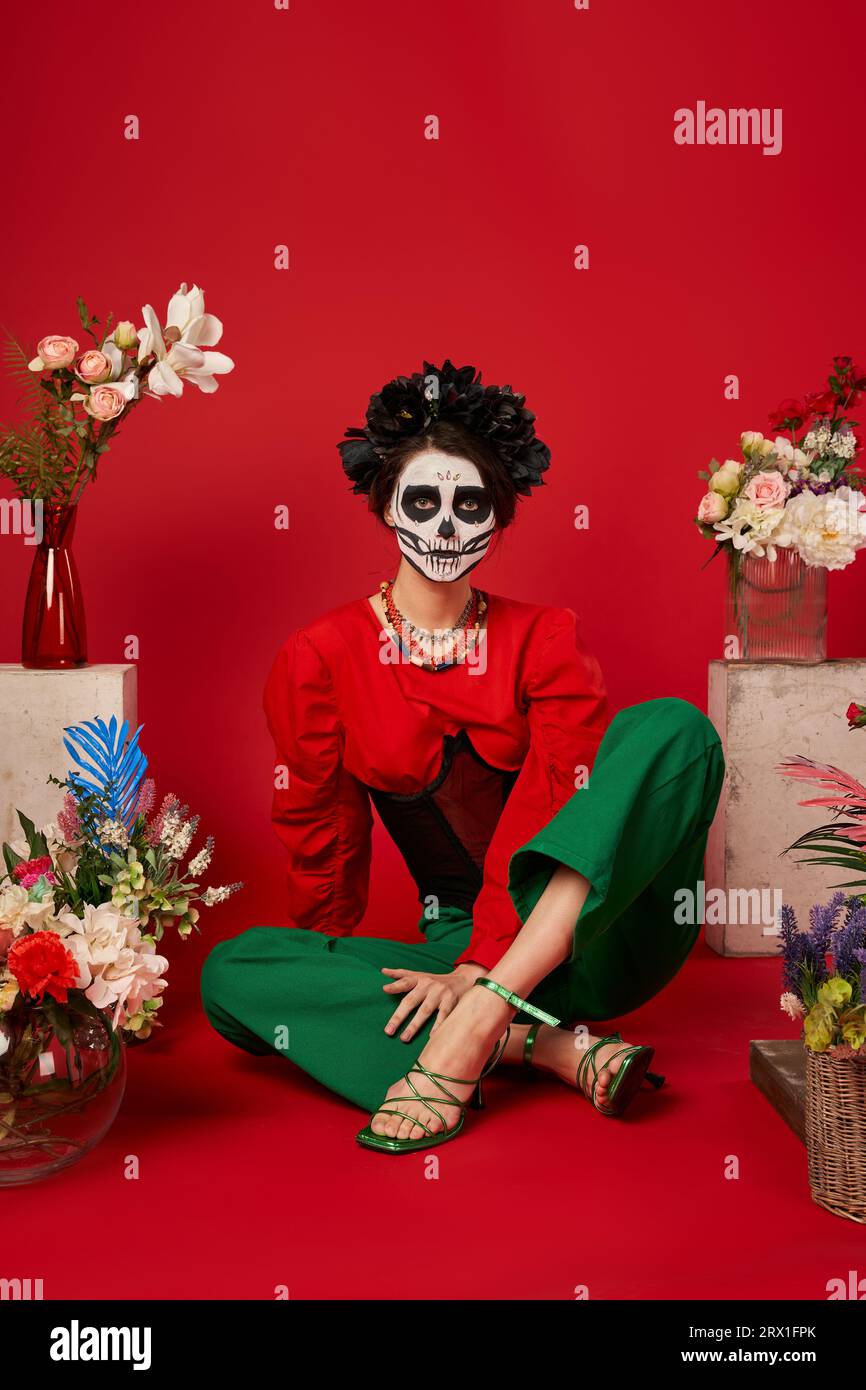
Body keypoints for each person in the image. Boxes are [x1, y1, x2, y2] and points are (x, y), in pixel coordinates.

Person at [201, 360, 724, 1154]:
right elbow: (323, 829)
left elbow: (564, 799)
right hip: (445, 947)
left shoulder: (546, 636)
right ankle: (543, 1046)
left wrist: (485, 974)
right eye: (423, 501)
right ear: (386, 508)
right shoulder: (321, 654)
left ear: (498, 518)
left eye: (469, 504)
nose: (445, 526)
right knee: (231, 976)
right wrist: (324, 961)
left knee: (675, 728)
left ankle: (486, 1015)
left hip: (587, 938)